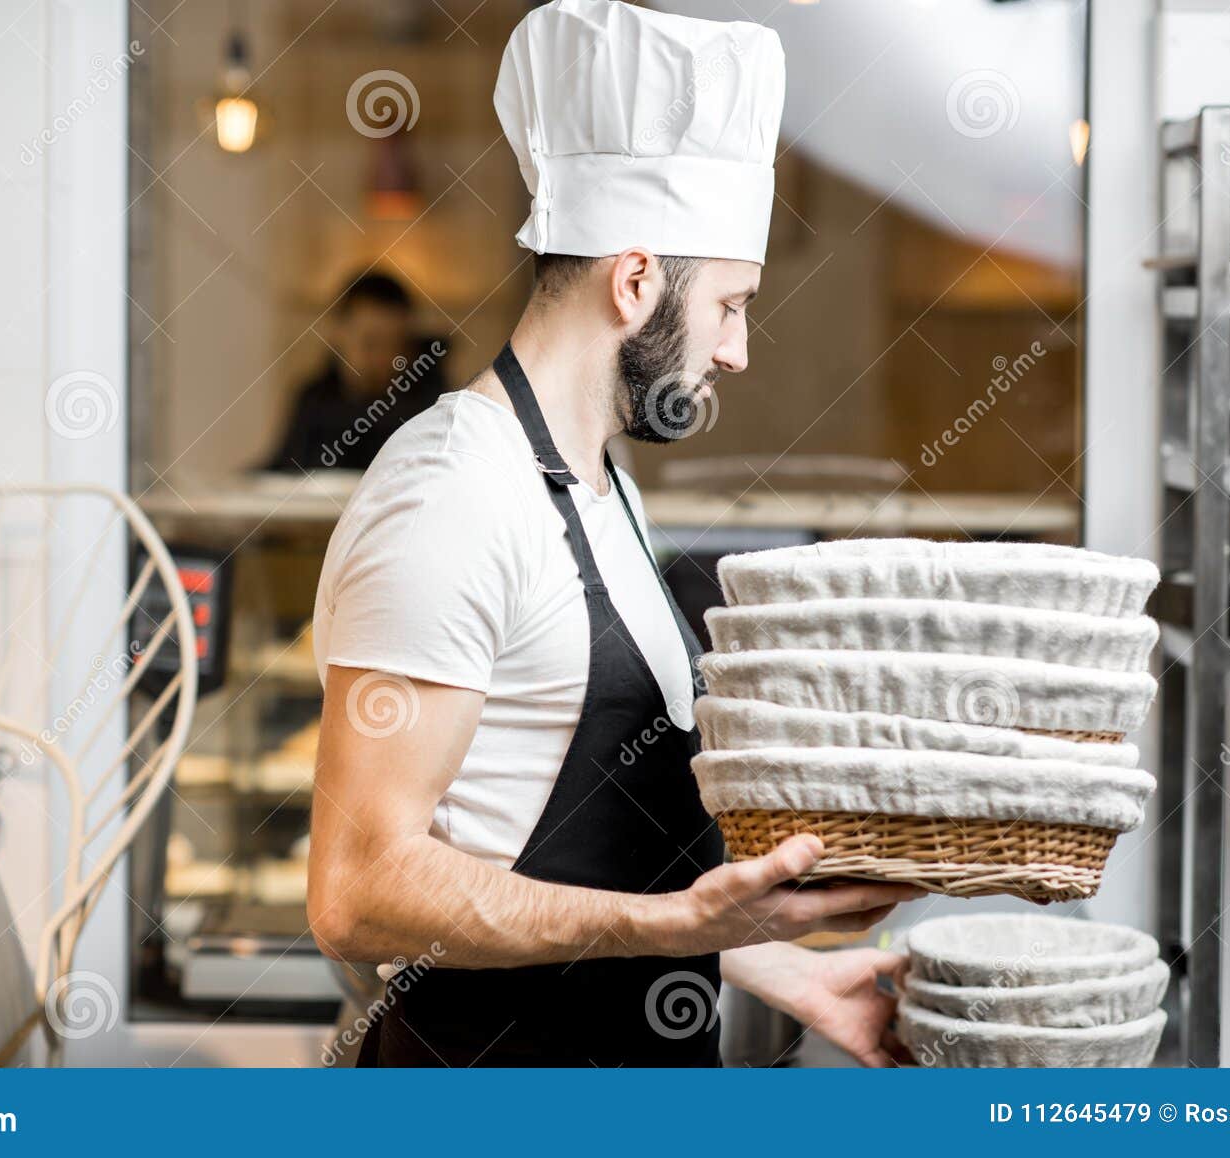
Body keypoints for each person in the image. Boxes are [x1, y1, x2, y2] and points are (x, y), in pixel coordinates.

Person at [308, 0, 921, 1068]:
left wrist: (774, 962)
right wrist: (679, 927)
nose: (734, 350)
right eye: (729, 304)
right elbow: (358, 895)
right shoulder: (451, 495)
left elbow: (559, 864)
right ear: (634, 283)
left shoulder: (605, 483)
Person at [259, 272, 447, 473]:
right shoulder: (313, 399)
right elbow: (283, 469)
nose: (384, 359)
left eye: (396, 346)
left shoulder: (429, 405)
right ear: (338, 333)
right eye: (370, 343)